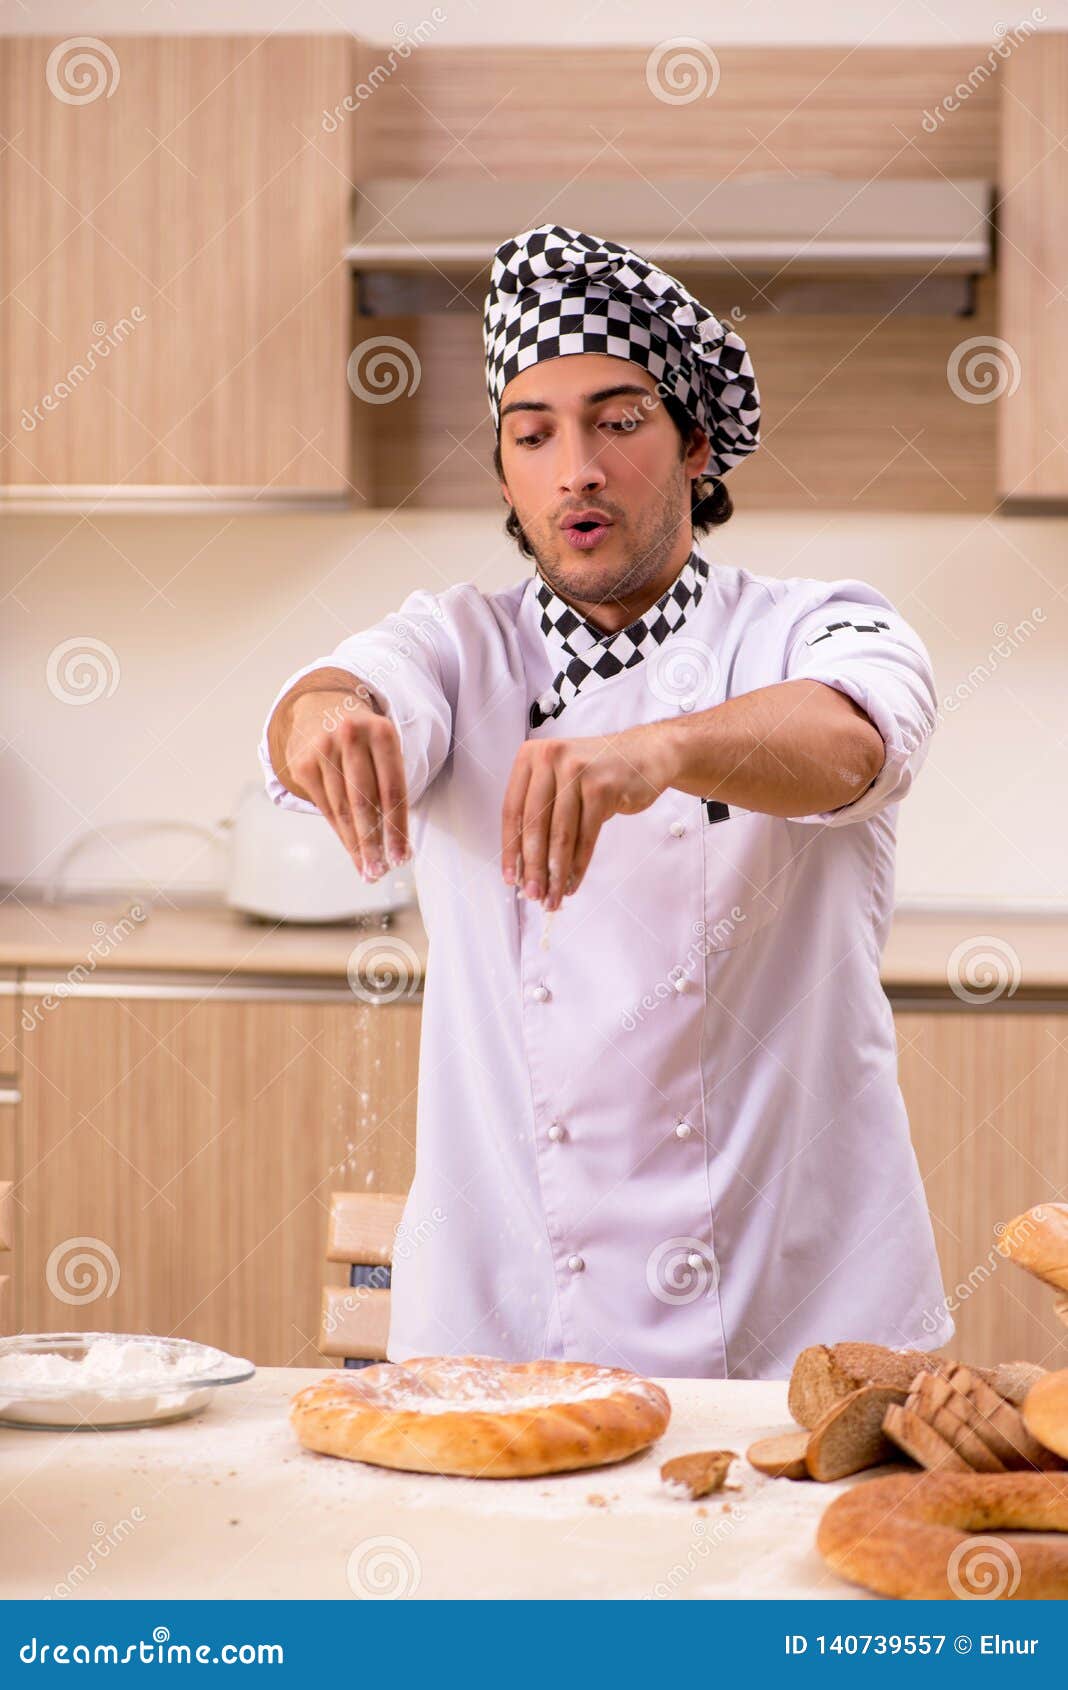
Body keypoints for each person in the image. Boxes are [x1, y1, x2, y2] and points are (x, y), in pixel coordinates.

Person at [260, 223, 952, 1379]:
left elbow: (856, 739)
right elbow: (338, 695)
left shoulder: (815, 624)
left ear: (695, 448)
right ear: (505, 475)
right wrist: (327, 724)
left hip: (805, 1333)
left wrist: (660, 750)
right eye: (533, 434)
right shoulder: (457, 646)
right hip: (505, 1333)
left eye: (618, 422)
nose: (575, 467)